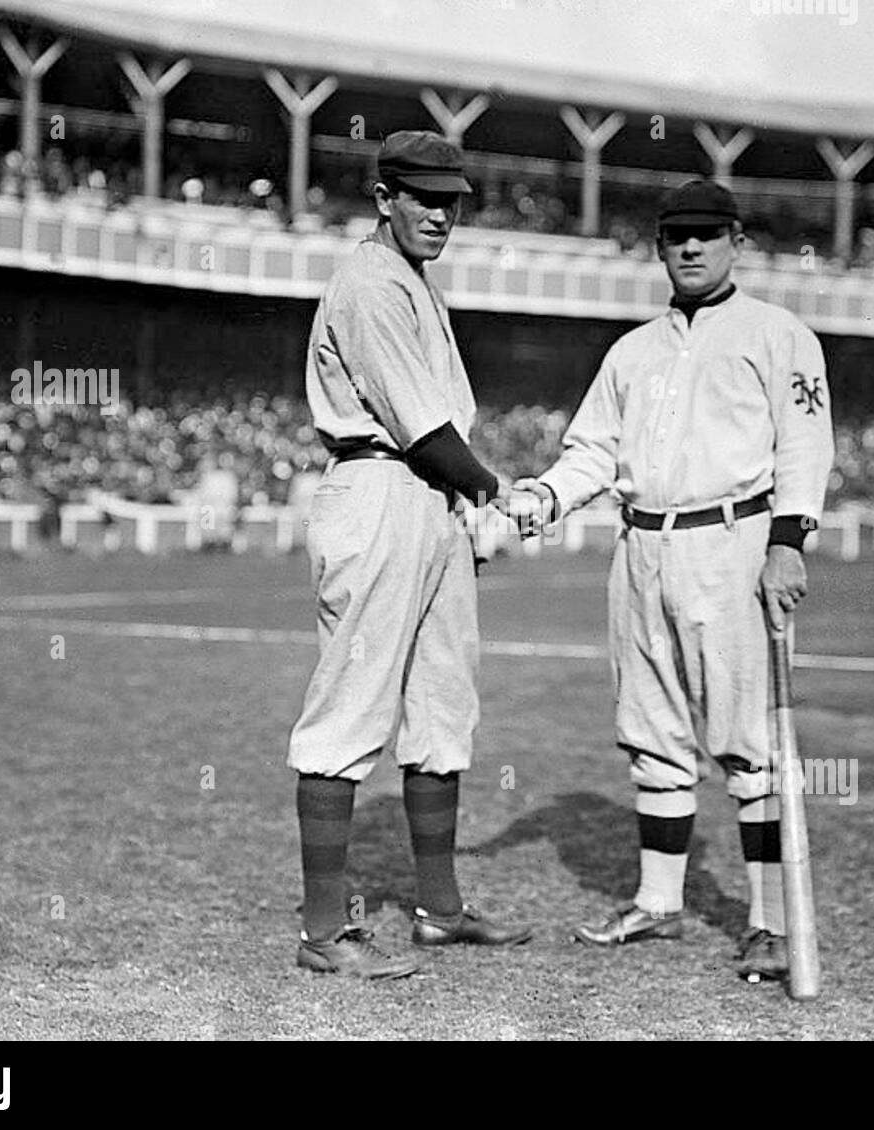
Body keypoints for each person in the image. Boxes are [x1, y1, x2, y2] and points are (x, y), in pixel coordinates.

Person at [515, 180, 835, 981]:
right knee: (650, 727)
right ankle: (658, 903)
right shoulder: (632, 351)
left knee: (746, 738)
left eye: (706, 235)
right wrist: (543, 500)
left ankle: (766, 922)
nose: (690, 249)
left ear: (736, 241)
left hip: (732, 542)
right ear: (658, 248)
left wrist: (789, 541)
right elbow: (591, 451)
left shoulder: (778, 335)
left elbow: (805, 444)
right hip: (640, 546)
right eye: (675, 237)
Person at [287, 131, 536, 980]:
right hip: (381, 489)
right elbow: (422, 430)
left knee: (441, 706)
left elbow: (440, 434)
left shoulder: (414, 281)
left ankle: (439, 908)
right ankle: (325, 929)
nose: (440, 212)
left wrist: (469, 498)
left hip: (428, 500)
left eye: (453, 199)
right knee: (349, 710)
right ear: (384, 196)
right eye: (423, 196)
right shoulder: (368, 282)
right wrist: (494, 491)